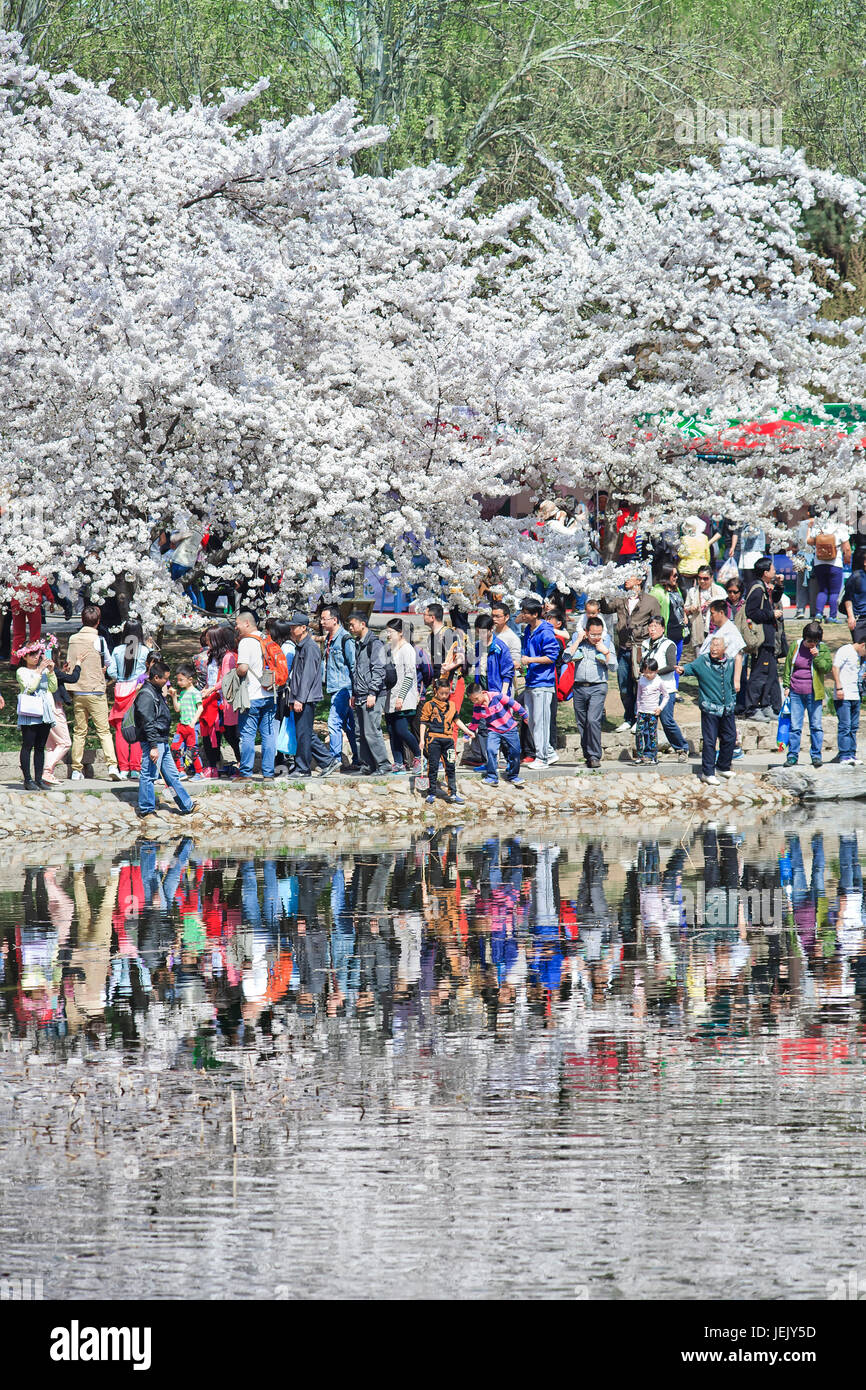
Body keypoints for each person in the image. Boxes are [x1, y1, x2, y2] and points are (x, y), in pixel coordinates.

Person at [134, 660, 196, 819]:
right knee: (148, 775)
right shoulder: (146, 695)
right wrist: (153, 746)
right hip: (153, 742)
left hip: (162, 741)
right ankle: (146, 809)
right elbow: (147, 722)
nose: (167, 682)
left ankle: (186, 805)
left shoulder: (156, 690)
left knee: (171, 775)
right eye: (165, 679)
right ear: (156, 677)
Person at [66, 605, 122, 781]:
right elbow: (109, 664)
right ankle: (112, 765)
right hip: (96, 690)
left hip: (78, 690)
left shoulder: (72, 639)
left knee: (79, 731)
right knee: (103, 731)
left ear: (82, 620)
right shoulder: (100, 641)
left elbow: (69, 663)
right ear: (98, 622)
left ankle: (76, 769)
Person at [602, 572, 662, 730]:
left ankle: (638, 718)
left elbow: (657, 623)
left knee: (640, 684)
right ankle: (628, 717)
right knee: (623, 685)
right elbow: (606, 609)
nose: (625, 580)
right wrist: (601, 593)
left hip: (640, 648)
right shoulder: (621, 598)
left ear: (639, 580)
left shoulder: (650, 601)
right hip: (623, 648)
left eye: (629, 577)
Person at [679, 637, 739, 786]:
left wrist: (732, 698)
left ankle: (723, 766)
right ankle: (708, 773)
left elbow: (732, 682)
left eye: (717, 646)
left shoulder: (730, 662)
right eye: (712, 645)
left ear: (724, 649)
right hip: (710, 708)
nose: (714, 648)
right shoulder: (703, 661)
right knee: (710, 741)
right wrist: (681, 670)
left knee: (730, 738)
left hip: (727, 708)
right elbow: (688, 668)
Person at [287, 612, 338, 779]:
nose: (292, 629)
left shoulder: (309, 647)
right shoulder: (302, 645)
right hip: (301, 697)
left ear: (303, 628)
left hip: (306, 698)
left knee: (303, 734)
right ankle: (327, 761)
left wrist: (299, 699)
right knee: (305, 733)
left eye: (294, 626)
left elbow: (307, 676)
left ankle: (303, 768)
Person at [781, 621, 834, 768]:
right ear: (804, 637)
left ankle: (816, 756)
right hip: (796, 691)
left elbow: (826, 668)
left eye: (815, 641)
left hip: (813, 693)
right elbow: (787, 667)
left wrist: (817, 656)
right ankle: (792, 756)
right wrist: (786, 686)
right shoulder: (796, 646)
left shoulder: (822, 649)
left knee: (816, 725)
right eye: (809, 640)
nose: (812, 644)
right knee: (795, 726)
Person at [517, 596, 561, 768]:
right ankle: (549, 753)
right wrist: (525, 665)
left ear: (535, 614)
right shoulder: (529, 630)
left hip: (543, 684)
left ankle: (542, 758)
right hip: (531, 681)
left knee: (541, 722)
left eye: (526, 613)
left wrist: (530, 660)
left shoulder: (546, 631)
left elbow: (551, 657)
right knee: (532, 721)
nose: (522, 615)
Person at [347, 611, 391, 775]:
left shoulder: (375, 644)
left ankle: (383, 765)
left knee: (372, 732)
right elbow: (357, 670)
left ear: (362, 624)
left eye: (353, 624)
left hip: (373, 695)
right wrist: (354, 692)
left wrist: (373, 692)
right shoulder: (359, 643)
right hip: (359, 694)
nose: (350, 628)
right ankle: (367, 766)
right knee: (360, 733)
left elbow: (378, 670)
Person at [235, 610, 277, 779]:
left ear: (247, 623)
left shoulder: (246, 642)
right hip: (269, 694)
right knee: (268, 735)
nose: (236, 627)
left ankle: (245, 773)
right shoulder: (266, 639)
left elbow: (243, 668)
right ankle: (268, 773)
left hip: (252, 696)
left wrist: (235, 672)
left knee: (248, 735)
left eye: (238, 623)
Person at [565, 615, 612, 768]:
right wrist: (577, 641)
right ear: (586, 631)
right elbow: (565, 658)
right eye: (593, 634)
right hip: (579, 687)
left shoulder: (605, 643)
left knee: (593, 720)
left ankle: (595, 755)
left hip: (598, 687)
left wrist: (606, 653)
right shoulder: (579, 643)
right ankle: (588, 755)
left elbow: (614, 667)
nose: (597, 637)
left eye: (599, 634)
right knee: (582, 722)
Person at [458, 684, 527, 787]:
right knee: (491, 750)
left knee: (515, 753)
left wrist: (524, 715)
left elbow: (513, 703)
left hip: (510, 728)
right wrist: (467, 734)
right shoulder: (477, 707)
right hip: (493, 730)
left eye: (476, 699)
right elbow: (474, 723)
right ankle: (492, 777)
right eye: (472, 700)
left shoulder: (497, 696)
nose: (475, 702)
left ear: (482, 693)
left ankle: (513, 776)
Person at [106, 620, 150, 777]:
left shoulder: (117, 650)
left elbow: (111, 671)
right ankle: (135, 768)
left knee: (121, 730)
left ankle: (123, 768)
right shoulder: (144, 651)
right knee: (137, 729)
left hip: (120, 690)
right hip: (137, 690)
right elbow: (149, 671)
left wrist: (120, 677)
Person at [641, 615, 689, 760]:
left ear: (662, 628)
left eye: (656, 626)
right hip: (649, 690)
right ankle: (649, 753)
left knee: (667, 721)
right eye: (650, 626)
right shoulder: (644, 644)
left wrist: (653, 673)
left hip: (666, 689)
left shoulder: (669, 644)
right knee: (649, 722)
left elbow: (671, 666)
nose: (652, 629)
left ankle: (681, 748)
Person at [320, 604, 359, 770]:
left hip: (344, 688)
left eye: (324, 619)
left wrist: (355, 692)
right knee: (349, 726)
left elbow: (354, 666)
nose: (321, 622)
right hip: (335, 687)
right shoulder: (329, 638)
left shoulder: (345, 639)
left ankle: (334, 759)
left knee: (333, 723)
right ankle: (358, 760)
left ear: (334, 620)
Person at [743, 558, 783, 720]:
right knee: (759, 674)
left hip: (769, 639)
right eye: (772, 569)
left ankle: (767, 705)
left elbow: (777, 598)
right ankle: (751, 708)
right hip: (762, 639)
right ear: (765, 572)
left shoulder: (765, 587)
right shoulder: (757, 589)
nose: (774, 571)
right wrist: (771, 614)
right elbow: (751, 612)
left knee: (771, 674)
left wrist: (779, 586)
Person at [15, 639, 58, 789]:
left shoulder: (44, 670)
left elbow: (52, 688)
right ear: (24, 657)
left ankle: (39, 779)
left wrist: (51, 672)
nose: (35, 656)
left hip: (44, 711)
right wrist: (39, 671)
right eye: (31, 654)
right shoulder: (22, 671)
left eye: (37, 653)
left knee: (40, 746)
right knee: (27, 745)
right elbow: (30, 688)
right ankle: (28, 780)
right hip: (30, 711)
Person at [200, 625, 240, 774]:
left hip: (223, 702)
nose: (206, 641)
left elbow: (226, 679)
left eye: (209, 639)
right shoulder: (211, 655)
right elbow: (210, 677)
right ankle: (213, 765)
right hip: (211, 700)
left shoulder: (228, 657)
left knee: (230, 734)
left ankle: (241, 762)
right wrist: (206, 688)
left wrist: (211, 689)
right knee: (209, 734)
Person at [419, 677, 465, 805]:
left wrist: (468, 731)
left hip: (449, 741)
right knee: (433, 766)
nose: (444, 696)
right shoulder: (429, 705)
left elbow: (457, 720)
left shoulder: (452, 705)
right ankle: (432, 793)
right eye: (442, 693)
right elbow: (423, 722)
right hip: (434, 740)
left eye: (447, 693)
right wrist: (422, 739)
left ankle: (453, 793)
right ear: (435, 691)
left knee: (450, 766)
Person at [384, 619, 421, 774]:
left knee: (401, 730)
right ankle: (399, 762)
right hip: (390, 697)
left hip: (403, 698)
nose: (387, 635)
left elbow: (410, 675)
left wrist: (401, 696)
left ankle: (419, 756)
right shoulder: (390, 649)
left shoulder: (407, 650)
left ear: (400, 632)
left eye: (390, 632)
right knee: (392, 731)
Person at [42, 646, 80, 783]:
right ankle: (46, 770)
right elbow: (73, 678)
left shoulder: (46, 671)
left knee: (52, 745)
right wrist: (79, 664)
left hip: (45, 708)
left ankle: (47, 775)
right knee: (65, 742)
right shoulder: (52, 670)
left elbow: (58, 679)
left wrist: (62, 671)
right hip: (54, 709)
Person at [807, 518, 851, 622]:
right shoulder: (840, 528)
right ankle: (832, 616)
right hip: (835, 563)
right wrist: (847, 559)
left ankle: (818, 614)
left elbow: (809, 541)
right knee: (834, 592)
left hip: (819, 562)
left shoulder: (818, 527)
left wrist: (809, 528)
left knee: (822, 590)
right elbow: (847, 548)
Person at [832, 637, 866, 765]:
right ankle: (844, 754)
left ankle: (852, 753)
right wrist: (839, 687)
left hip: (855, 695)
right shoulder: (845, 650)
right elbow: (835, 668)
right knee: (845, 726)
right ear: (863, 645)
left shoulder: (858, 656)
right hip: (844, 695)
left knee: (854, 726)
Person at [170, 662, 205, 778]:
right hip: (181, 726)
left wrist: (193, 722)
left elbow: (200, 708)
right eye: (178, 680)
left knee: (192, 750)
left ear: (190, 680)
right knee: (175, 747)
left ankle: (199, 773)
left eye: (181, 680)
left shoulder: (195, 693)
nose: (179, 682)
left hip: (191, 726)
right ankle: (181, 771)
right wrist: (174, 697)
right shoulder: (183, 693)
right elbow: (177, 709)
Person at [633, 656, 669, 764]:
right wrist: (638, 710)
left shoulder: (659, 681)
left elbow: (666, 696)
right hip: (642, 712)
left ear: (656, 671)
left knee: (652, 734)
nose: (648, 675)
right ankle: (640, 756)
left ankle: (654, 757)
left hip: (652, 712)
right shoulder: (641, 681)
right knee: (639, 733)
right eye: (646, 672)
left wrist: (660, 708)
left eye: (651, 672)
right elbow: (638, 696)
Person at [684, 565, 726, 649]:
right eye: (699, 578)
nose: (702, 581)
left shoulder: (719, 591)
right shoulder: (692, 591)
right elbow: (686, 610)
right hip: (698, 629)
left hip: (715, 630)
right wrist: (691, 609)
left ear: (711, 577)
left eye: (705, 578)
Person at [472, 613, 515, 695]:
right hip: (480, 692)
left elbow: (508, 672)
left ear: (491, 629)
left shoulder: (500, 647)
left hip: (497, 692)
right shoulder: (477, 646)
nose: (480, 635)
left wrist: (503, 693)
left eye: (483, 632)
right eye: (478, 632)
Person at [842, 548, 866, 632]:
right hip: (859, 619)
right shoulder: (856, 577)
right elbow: (848, 598)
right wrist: (851, 616)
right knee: (859, 645)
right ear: (865, 562)